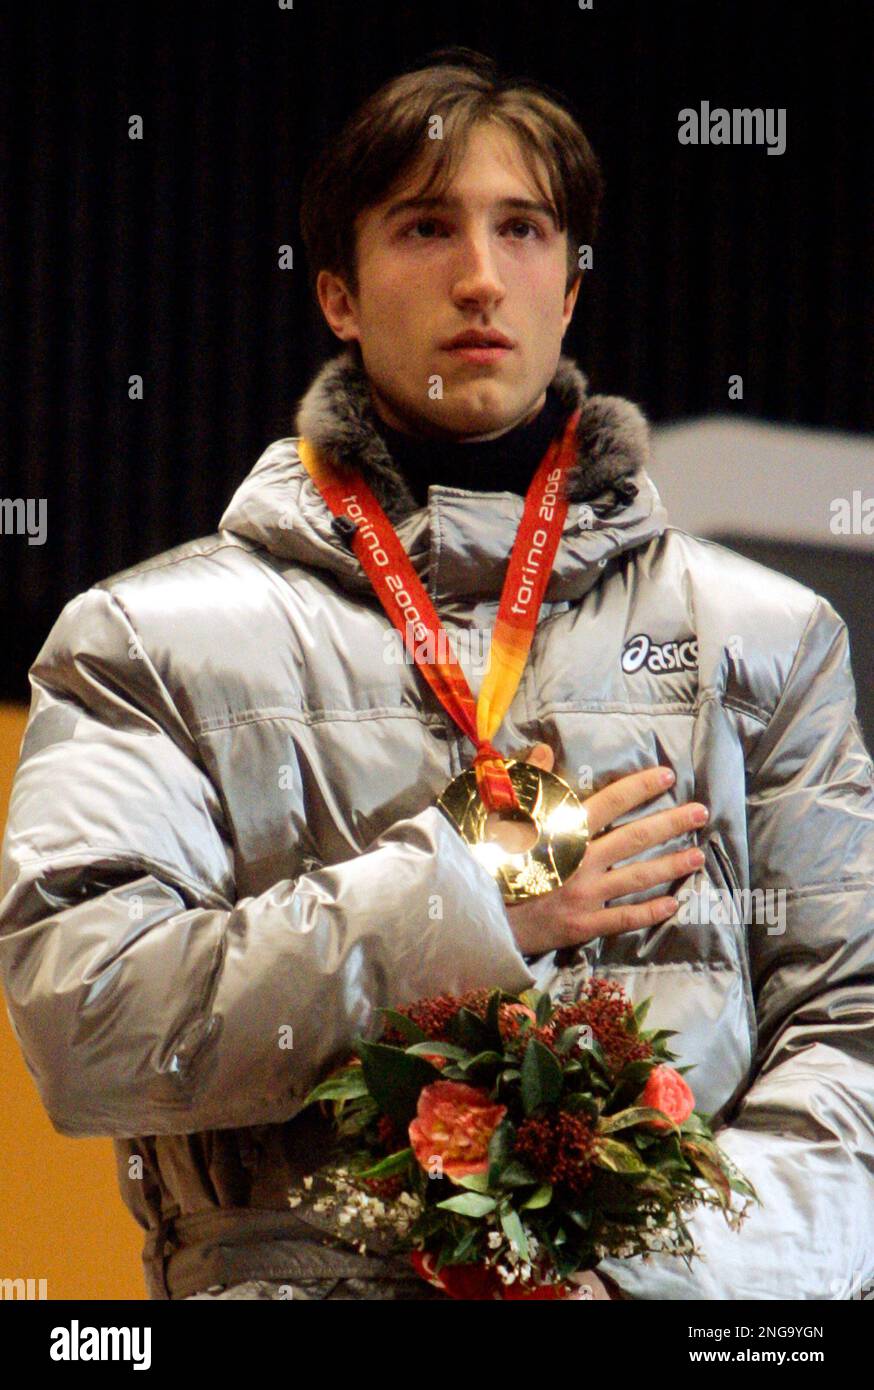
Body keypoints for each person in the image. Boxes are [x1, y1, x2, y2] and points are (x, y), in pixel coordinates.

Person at [1, 47, 873, 1303]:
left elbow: (849, 1041)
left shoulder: (768, 635)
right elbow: (86, 1024)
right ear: (340, 295)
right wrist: (466, 896)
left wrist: (641, 1276)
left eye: (522, 229)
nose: (478, 276)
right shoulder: (148, 637)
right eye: (425, 226)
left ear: (569, 289)